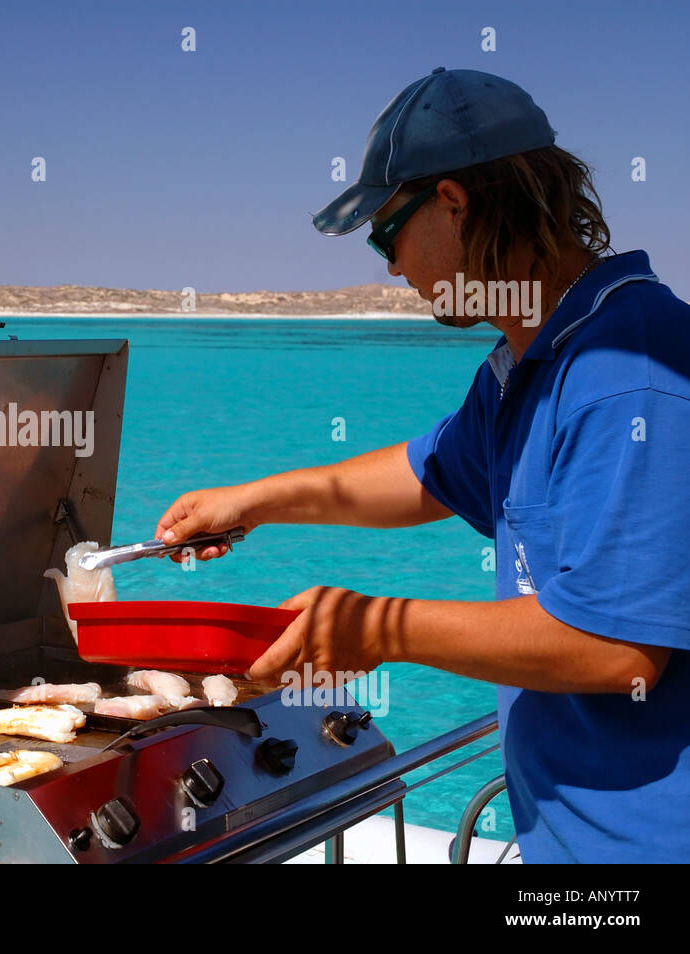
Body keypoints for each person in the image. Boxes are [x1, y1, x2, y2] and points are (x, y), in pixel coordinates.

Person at [154, 67, 690, 863]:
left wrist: (378, 627)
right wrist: (252, 501)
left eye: (385, 232)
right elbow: (429, 472)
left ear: (453, 201)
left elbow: (615, 649)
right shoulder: (530, 359)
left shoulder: (625, 374)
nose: (392, 267)